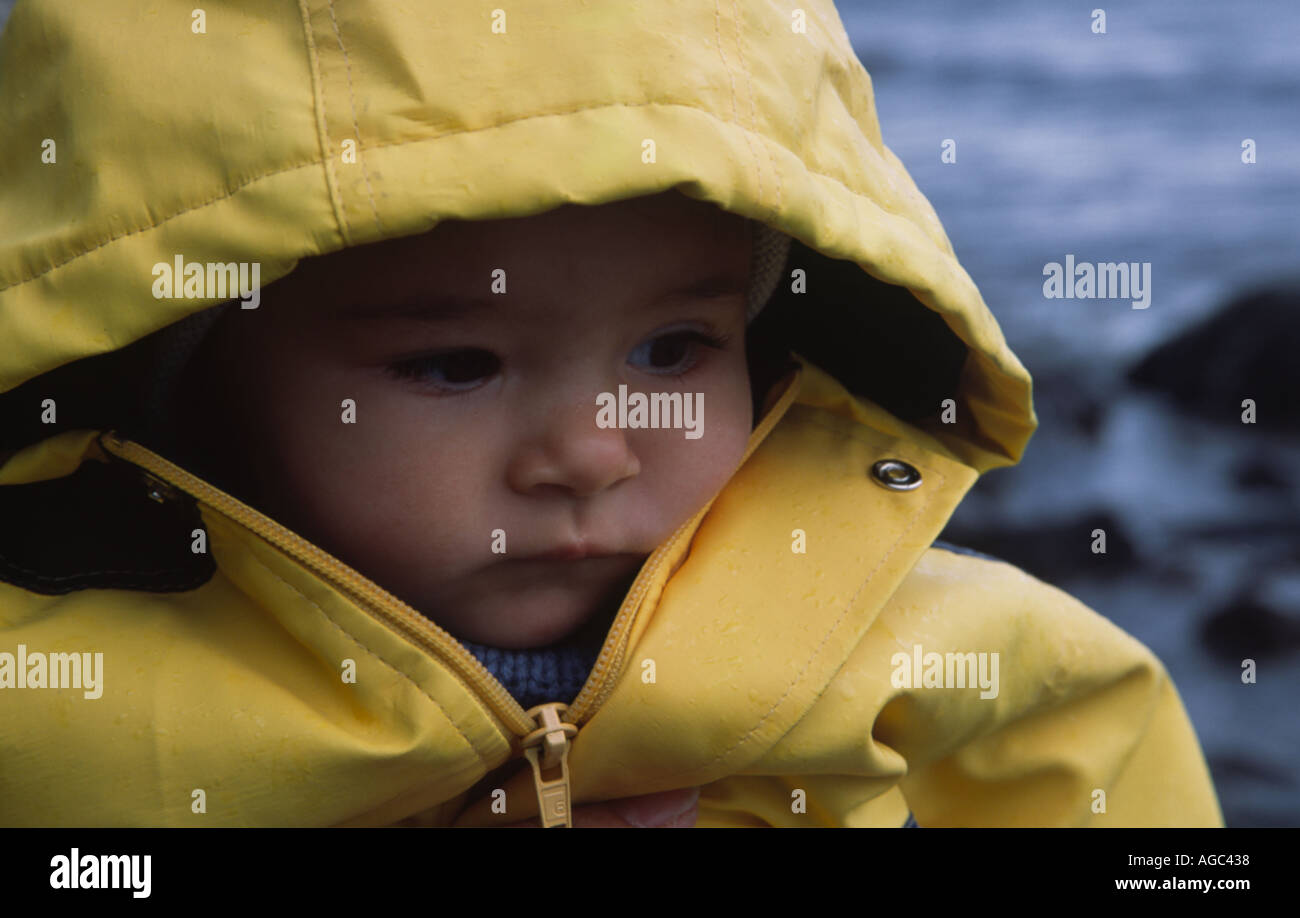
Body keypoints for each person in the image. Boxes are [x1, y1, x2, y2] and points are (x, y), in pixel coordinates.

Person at [0, 0, 1222, 827]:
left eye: (674, 346)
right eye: (454, 366)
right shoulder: (54, 709)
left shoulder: (934, 659)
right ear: (185, 376)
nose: (590, 451)